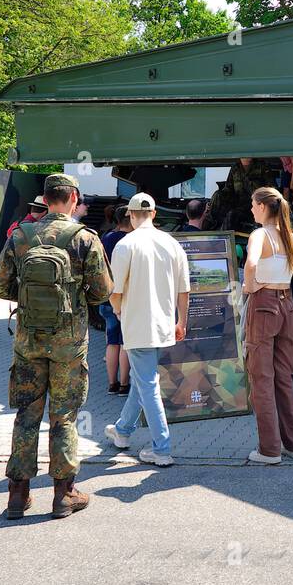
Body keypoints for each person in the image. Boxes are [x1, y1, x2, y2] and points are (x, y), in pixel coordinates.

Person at [0, 173, 112, 520]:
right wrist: (74, 302)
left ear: (44, 199)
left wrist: (30, 300)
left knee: (26, 415)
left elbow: (0, 288)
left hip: (28, 340)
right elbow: (103, 291)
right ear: (73, 198)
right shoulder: (84, 238)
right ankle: (64, 494)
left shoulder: (20, 235)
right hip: (68, 343)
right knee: (64, 418)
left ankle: (17, 496)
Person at [102, 193, 189, 466]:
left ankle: (161, 448)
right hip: (163, 324)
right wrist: (181, 322)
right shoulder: (172, 243)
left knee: (148, 384)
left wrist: (117, 310)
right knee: (143, 379)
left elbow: (114, 290)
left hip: (137, 324)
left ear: (130, 214)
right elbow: (184, 289)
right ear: (154, 213)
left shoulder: (126, 245)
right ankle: (123, 430)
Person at [242, 186, 293, 464]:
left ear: (264, 207)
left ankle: (269, 449)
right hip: (286, 305)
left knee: (261, 378)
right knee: (283, 377)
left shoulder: (259, 234)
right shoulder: (289, 236)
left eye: (254, 205)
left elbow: (251, 263)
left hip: (264, 303)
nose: (252, 209)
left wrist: (250, 286)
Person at [99, 205, 132, 394]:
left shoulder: (106, 238)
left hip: (106, 297)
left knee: (111, 342)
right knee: (125, 343)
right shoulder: (131, 241)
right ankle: (124, 384)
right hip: (125, 299)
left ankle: (111, 383)